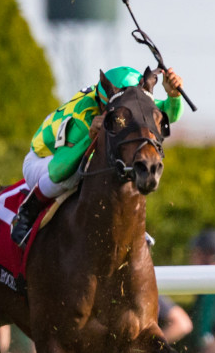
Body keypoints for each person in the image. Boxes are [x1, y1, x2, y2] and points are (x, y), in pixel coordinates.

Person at [10, 65, 185, 247]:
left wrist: (174, 97)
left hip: (61, 163)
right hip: (44, 161)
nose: (125, 116)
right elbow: (57, 171)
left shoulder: (129, 102)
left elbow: (165, 115)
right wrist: (90, 137)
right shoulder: (83, 116)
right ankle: (27, 213)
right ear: (104, 104)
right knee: (77, 174)